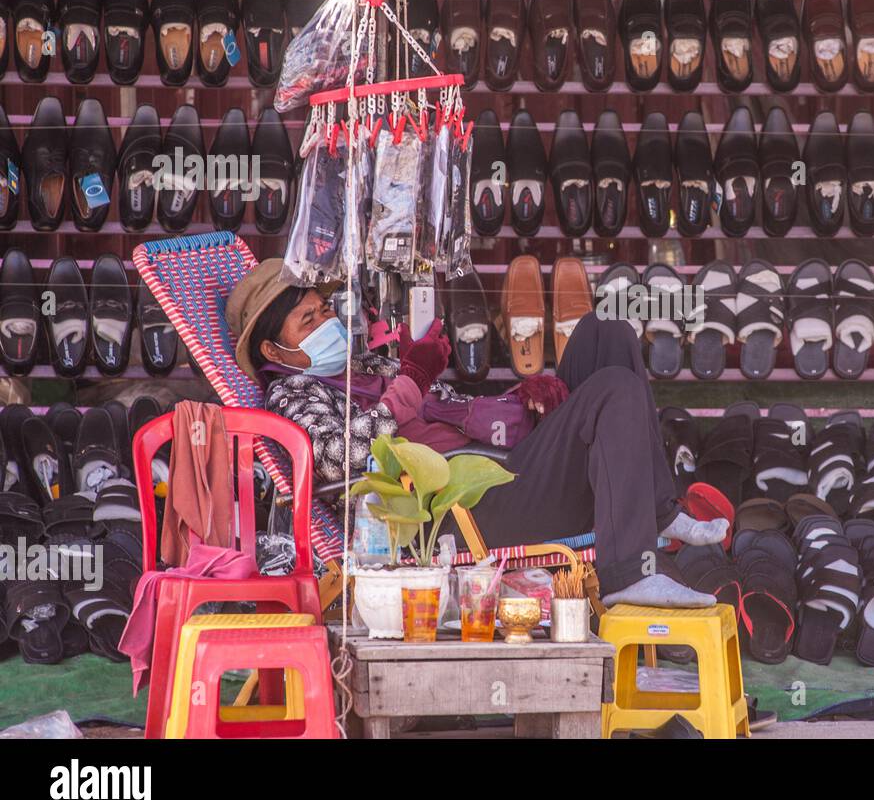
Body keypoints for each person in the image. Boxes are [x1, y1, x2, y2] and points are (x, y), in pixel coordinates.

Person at [226, 259, 724, 608]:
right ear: (274, 349)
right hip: (455, 511)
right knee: (613, 388)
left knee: (604, 334)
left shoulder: (362, 367)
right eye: (307, 319)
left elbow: (453, 410)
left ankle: (658, 511)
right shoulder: (292, 396)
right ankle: (626, 576)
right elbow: (349, 454)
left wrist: (523, 398)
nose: (326, 321)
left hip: (497, 474)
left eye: (325, 309)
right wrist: (411, 381)